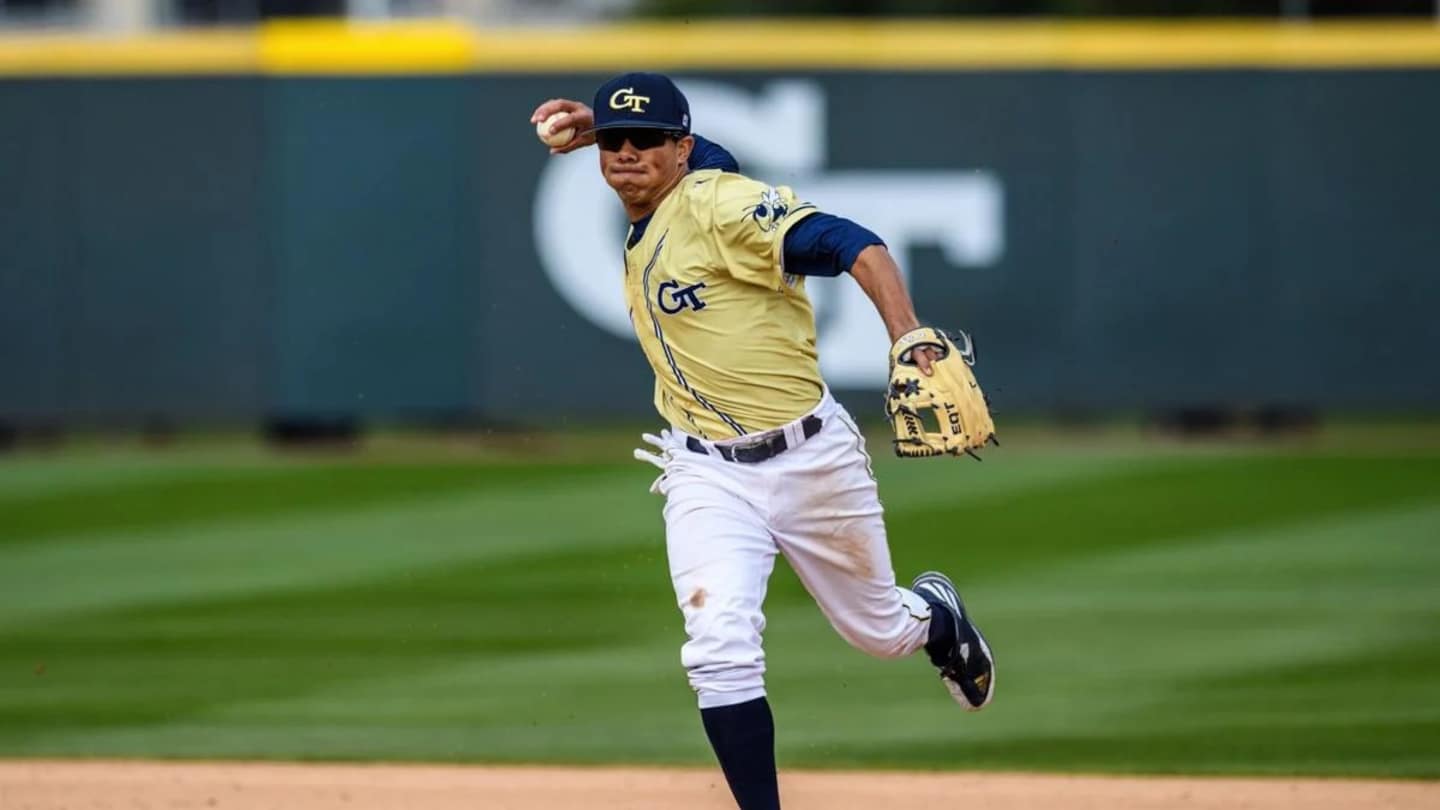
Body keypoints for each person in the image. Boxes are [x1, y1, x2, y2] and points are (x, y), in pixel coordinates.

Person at [530, 73, 994, 810]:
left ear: (680, 149)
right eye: (616, 141)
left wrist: (907, 333)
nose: (627, 153)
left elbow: (856, 244)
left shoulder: (721, 205)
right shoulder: (671, 187)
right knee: (718, 646)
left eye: (646, 140)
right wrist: (601, 123)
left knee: (878, 633)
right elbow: (661, 151)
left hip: (811, 460)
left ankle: (937, 618)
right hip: (702, 470)